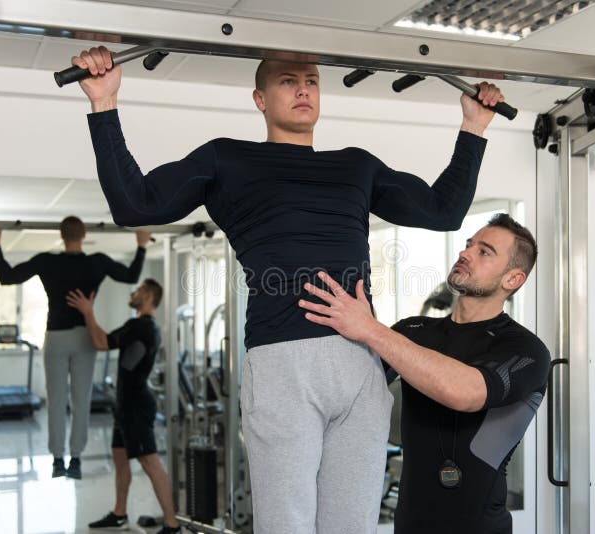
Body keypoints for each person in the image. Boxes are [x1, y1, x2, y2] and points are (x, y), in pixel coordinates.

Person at [72, 45, 503, 533]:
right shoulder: (227, 160)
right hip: (284, 362)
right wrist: (104, 103)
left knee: (352, 526)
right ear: (259, 98)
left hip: (361, 361)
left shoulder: (356, 165)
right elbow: (136, 205)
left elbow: (441, 211)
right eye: (288, 81)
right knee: (287, 526)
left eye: (313, 81)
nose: (303, 88)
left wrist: (474, 127)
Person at [299, 213, 551, 533]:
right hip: (408, 525)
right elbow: (347, 385)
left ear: (512, 279)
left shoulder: (525, 350)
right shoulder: (414, 331)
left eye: (484, 251)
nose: (465, 253)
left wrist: (371, 330)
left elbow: (467, 393)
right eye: (468, 245)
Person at [0, 217, 150, 479]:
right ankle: (75, 459)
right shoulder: (97, 262)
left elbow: (7, 277)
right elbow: (131, 275)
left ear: (61, 235)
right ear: (84, 234)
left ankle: (57, 459)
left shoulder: (46, 261)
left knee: (56, 399)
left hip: (56, 337)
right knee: (80, 399)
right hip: (84, 336)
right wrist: (142, 245)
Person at [66, 279, 180, 534]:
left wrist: (87, 311)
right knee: (119, 458)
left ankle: (172, 526)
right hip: (125, 403)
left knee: (150, 463)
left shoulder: (139, 326)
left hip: (136, 405)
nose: (133, 292)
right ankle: (119, 514)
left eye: (138, 290)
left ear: (149, 296)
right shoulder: (143, 325)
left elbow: (100, 342)